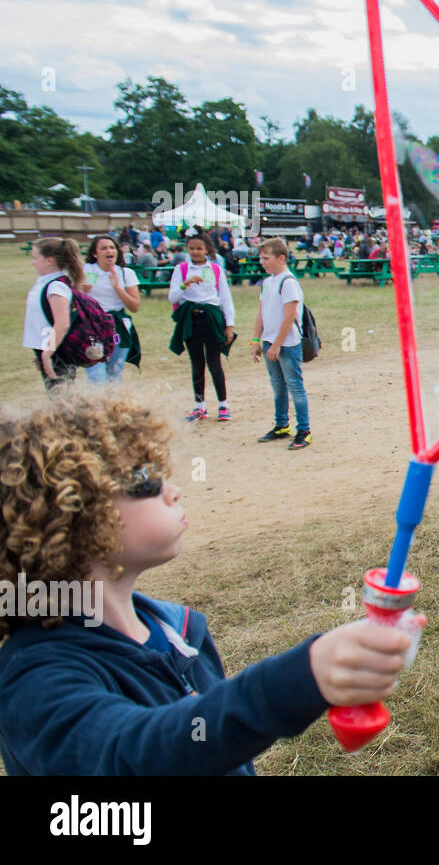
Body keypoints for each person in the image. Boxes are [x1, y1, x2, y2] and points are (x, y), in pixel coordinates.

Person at [0, 397, 413, 775]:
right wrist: (298, 678)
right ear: (69, 517)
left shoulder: (176, 629)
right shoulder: (34, 680)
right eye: (145, 479)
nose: (173, 490)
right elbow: (128, 753)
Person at [168, 229, 236, 423]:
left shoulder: (215, 269)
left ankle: (223, 404)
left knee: (214, 363)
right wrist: (185, 284)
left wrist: (229, 324)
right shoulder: (181, 270)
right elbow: (172, 297)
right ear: (187, 249)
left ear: (207, 249)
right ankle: (200, 406)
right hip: (192, 319)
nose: (196, 252)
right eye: (192, 248)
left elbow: (225, 298)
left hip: (212, 318)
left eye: (199, 248)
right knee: (197, 363)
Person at [251, 238, 311, 450]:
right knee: (278, 386)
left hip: (287, 343)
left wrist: (277, 344)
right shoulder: (267, 283)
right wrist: (257, 339)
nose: (262, 262)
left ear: (281, 258)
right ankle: (281, 425)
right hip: (269, 342)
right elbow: (261, 313)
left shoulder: (289, 282)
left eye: (266, 258)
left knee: (295, 386)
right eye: (261, 258)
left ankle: (304, 429)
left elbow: (290, 316)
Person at [23, 238, 83, 392]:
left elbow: (62, 324)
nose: (33, 262)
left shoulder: (56, 286)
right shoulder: (45, 282)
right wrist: (42, 352)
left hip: (57, 351)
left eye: (36, 258)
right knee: (58, 396)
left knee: (62, 398)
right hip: (50, 349)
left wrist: (47, 353)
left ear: (49, 260)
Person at [82, 235, 142, 384]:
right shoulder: (86, 271)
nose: (109, 251)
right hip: (92, 327)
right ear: (95, 254)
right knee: (96, 376)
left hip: (118, 327)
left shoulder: (125, 273)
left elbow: (134, 307)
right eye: (103, 248)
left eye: (112, 247)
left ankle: (114, 406)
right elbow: (73, 300)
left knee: (115, 374)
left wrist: (117, 288)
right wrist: (80, 290)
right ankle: (95, 406)